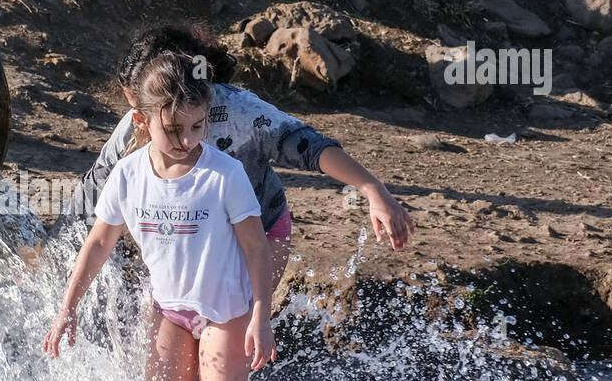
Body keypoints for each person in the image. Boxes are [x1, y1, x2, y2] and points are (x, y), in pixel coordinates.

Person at [51, 24, 415, 309]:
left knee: (227, 340)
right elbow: (95, 188)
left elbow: (309, 147)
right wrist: (52, 254)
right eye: (138, 103)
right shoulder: (137, 123)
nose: (135, 107)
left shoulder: (240, 112)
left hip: (257, 235)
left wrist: (371, 189)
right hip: (188, 238)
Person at [43, 51, 273, 381]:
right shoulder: (128, 175)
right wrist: (68, 308)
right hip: (169, 311)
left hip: (226, 313)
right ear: (142, 120)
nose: (187, 140)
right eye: (173, 129)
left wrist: (261, 316)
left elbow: (256, 248)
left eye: (197, 126)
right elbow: (98, 243)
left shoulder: (224, 175)